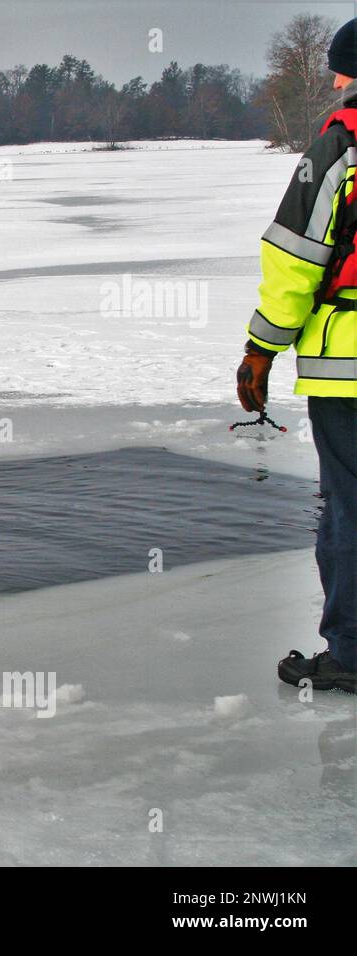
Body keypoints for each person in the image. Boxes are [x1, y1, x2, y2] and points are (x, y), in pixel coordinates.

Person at [241, 18, 357, 694]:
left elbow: (293, 263)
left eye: (344, 72)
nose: (337, 83)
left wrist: (260, 350)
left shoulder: (338, 148)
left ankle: (350, 651)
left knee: (348, 509)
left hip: (348, 373)